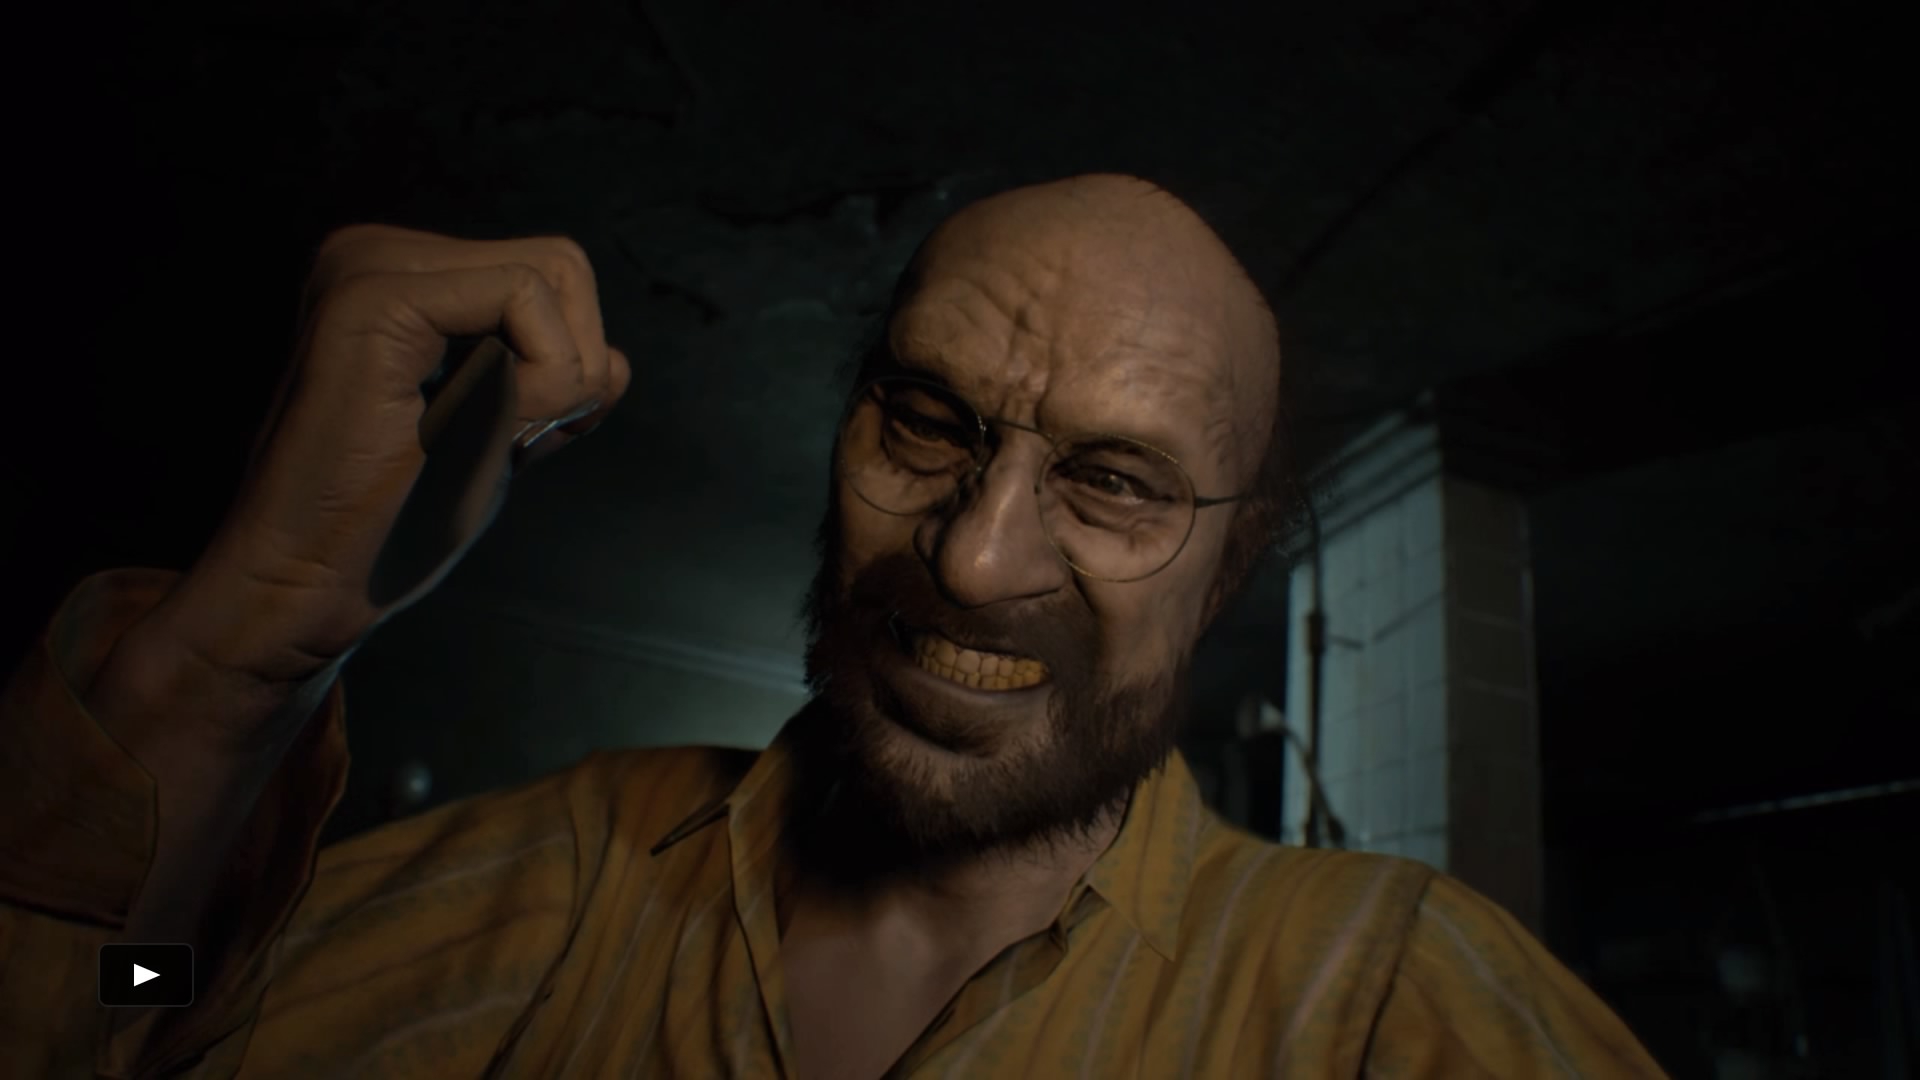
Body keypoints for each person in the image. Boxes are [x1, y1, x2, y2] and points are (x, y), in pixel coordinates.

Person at [0, 174, 1665, 1078]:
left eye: (1114, 485)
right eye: (926, 422)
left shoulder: (1380, 1002)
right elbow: (145, 1006)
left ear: (1224, 579)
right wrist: (240, 658)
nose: (977, 558)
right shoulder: (568, 881)